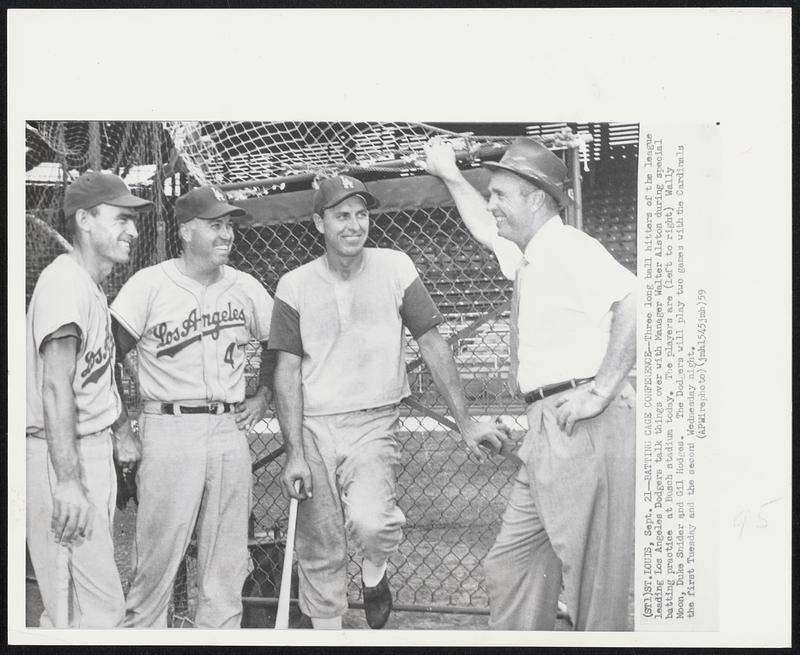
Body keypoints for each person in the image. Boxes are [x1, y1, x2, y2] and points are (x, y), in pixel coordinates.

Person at [269, 175, 508, 630]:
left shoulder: (396, 266)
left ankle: (374, 575)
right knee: (319, 542)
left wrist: (465, 422)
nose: (355, 225)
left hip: (373, 421)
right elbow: (285, 372)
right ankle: (328, 633)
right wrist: (295, 452)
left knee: (372, 523)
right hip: (314, 424)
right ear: (320, 222)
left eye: (362, 214)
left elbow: (433, 344)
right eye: (342, 215)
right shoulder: (294, 284)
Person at [424, 136, 637, 631]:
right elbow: (483, 228)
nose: (492, 202)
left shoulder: (567, 247)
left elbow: (634, 299)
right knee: (513, 565)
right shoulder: (531, 256)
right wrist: (453, 176)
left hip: (584, 421)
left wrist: (602, 390)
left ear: (536, 197)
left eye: (500, 194)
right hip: (548, 426)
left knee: (594, 581)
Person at [110, 186, 275, 628]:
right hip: (168, 426)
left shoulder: (245, 287)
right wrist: (122, 429)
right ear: (185, 231)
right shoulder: (149, 284)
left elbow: (280, 342)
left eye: (229, 226)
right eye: (215, 225)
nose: (227, 235)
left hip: (229, 428)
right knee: (156, 562)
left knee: (226, 567)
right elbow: (104, 356)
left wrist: (264, 393)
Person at [26, 171, 152, 627]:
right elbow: (55, 386)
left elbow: (94, 376)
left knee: (82, 612)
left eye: (134, 220)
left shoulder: (90, 285)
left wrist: (120, 430)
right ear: (84, 220)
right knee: (83, 612)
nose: (133, 231)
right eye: (121, 219)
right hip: (59, 454)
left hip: (88, 450)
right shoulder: (64, 284)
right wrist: (67, 481)